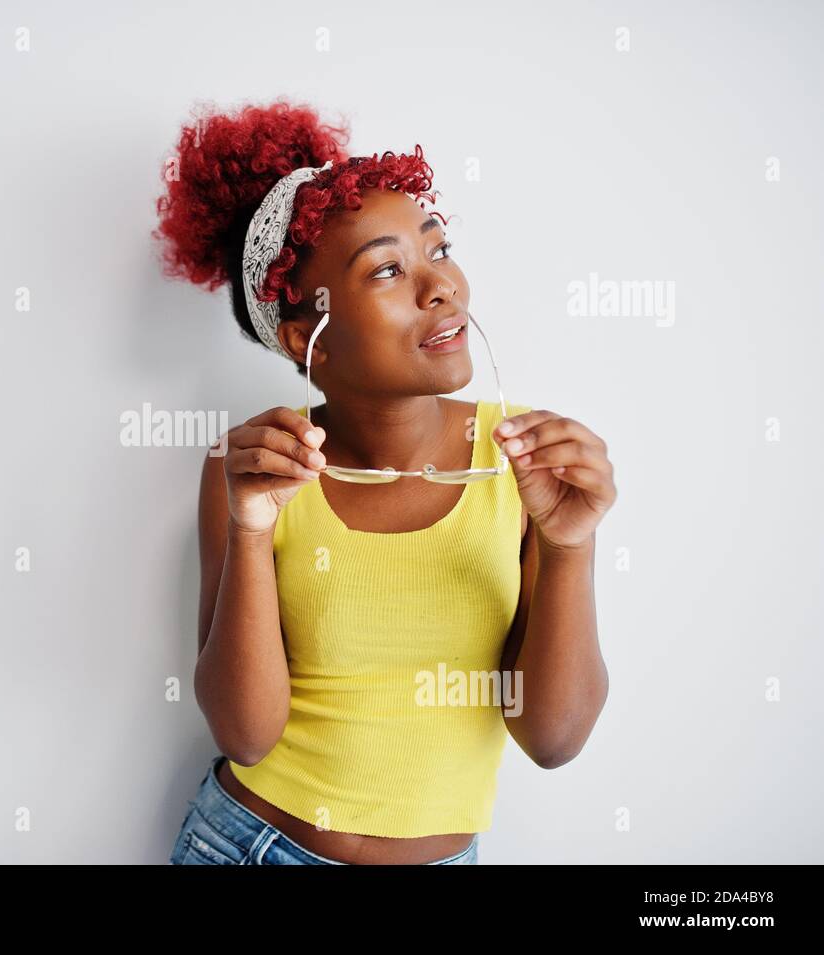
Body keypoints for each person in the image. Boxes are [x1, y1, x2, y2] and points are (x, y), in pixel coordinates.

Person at [154, 99, 615, 865]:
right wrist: (250, 526)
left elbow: (554, 738)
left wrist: (570, 547)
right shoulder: (258, 465)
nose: (441, 287)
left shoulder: (527, 458)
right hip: (248, 846)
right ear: (309, 338)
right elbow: (244, 731)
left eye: (439, 249)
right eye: (389, 269)